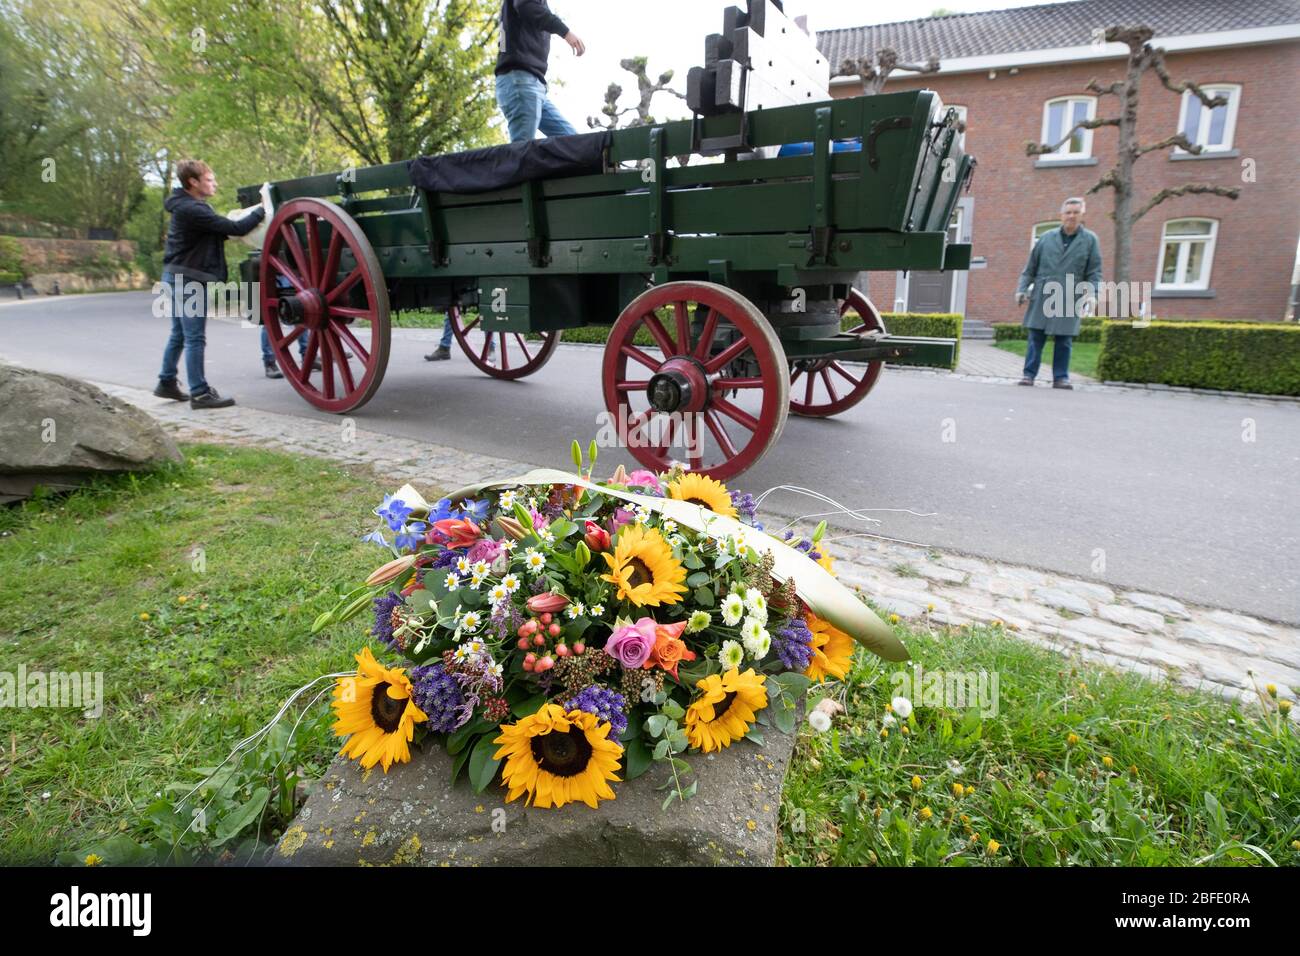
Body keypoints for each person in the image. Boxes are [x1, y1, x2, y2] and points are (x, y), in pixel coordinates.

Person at [426, 0, 585, 363]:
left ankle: (556, 205)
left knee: (575, 146)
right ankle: (518, 222)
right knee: (523, 158)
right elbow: (532, 10)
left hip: (534, 83)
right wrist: (566, 32)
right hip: (521, 80)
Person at [156, 159, 265, 408]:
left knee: (180, 334)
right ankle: (200, 393)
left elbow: (221, 231)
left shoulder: (187, 207)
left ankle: (166, 382)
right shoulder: (193, 209)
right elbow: (236, 229)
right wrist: (262, 209)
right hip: (188, 279)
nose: (214, 184)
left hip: (175, 276)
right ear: (193, 182)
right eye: (209, 180)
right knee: (194, 337)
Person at [1015, 197, 1102, 390]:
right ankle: (1028, 375)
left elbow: (1094, 272)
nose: (1071, 216)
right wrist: (1021, 289)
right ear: (1061, 215)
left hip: (1070, 295)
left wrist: (1093, 294)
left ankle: (1061, 378)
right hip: (1043, 293)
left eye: (1075, 212)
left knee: (1064, 340)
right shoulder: (1046, 238)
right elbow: (1030, 268)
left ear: (1082, 215)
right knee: (1035, 337)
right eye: (1068, 212)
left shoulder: (1090, 240)